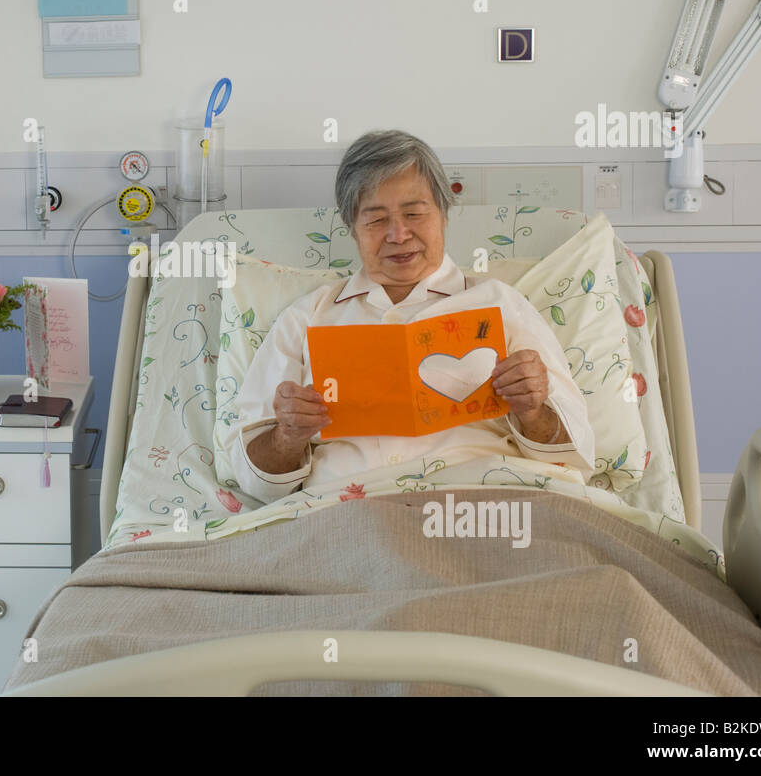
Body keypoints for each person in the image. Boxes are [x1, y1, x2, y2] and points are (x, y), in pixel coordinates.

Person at [230, 129, 596, 504]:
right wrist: (287, 436)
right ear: (352, 229)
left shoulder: (499, 304)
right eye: (375, 220)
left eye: (414, 214)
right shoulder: (307, 318)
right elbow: (253, 482)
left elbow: (578, 454)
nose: (398, 234)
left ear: (443, 214)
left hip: (484, 503)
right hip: (346, 516)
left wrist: (532, 410)